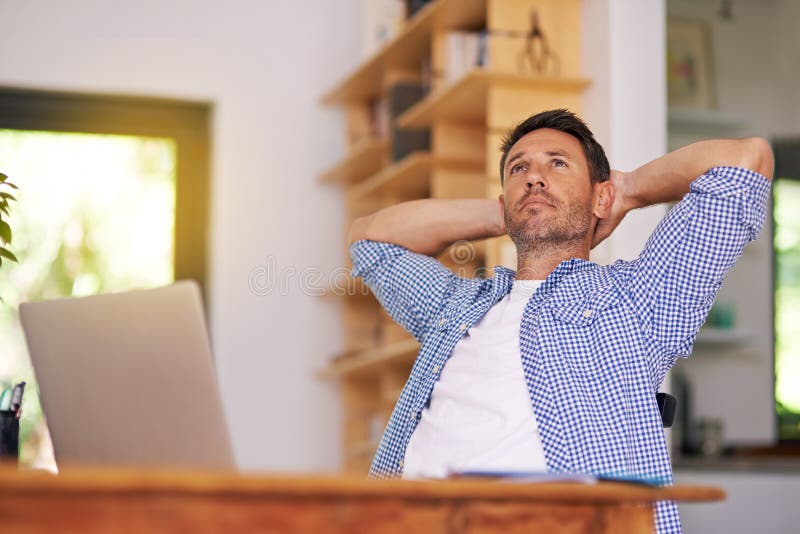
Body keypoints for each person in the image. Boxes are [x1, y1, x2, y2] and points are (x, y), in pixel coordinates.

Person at [348, 109, 773, 533]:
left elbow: (746, 161)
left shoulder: (640, 298)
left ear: (600, 197)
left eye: (557, 163)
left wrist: (627, 190)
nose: (534, 177)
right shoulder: (457, 305)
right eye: (519, 169)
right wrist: (505, 214)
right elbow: (370, 240)